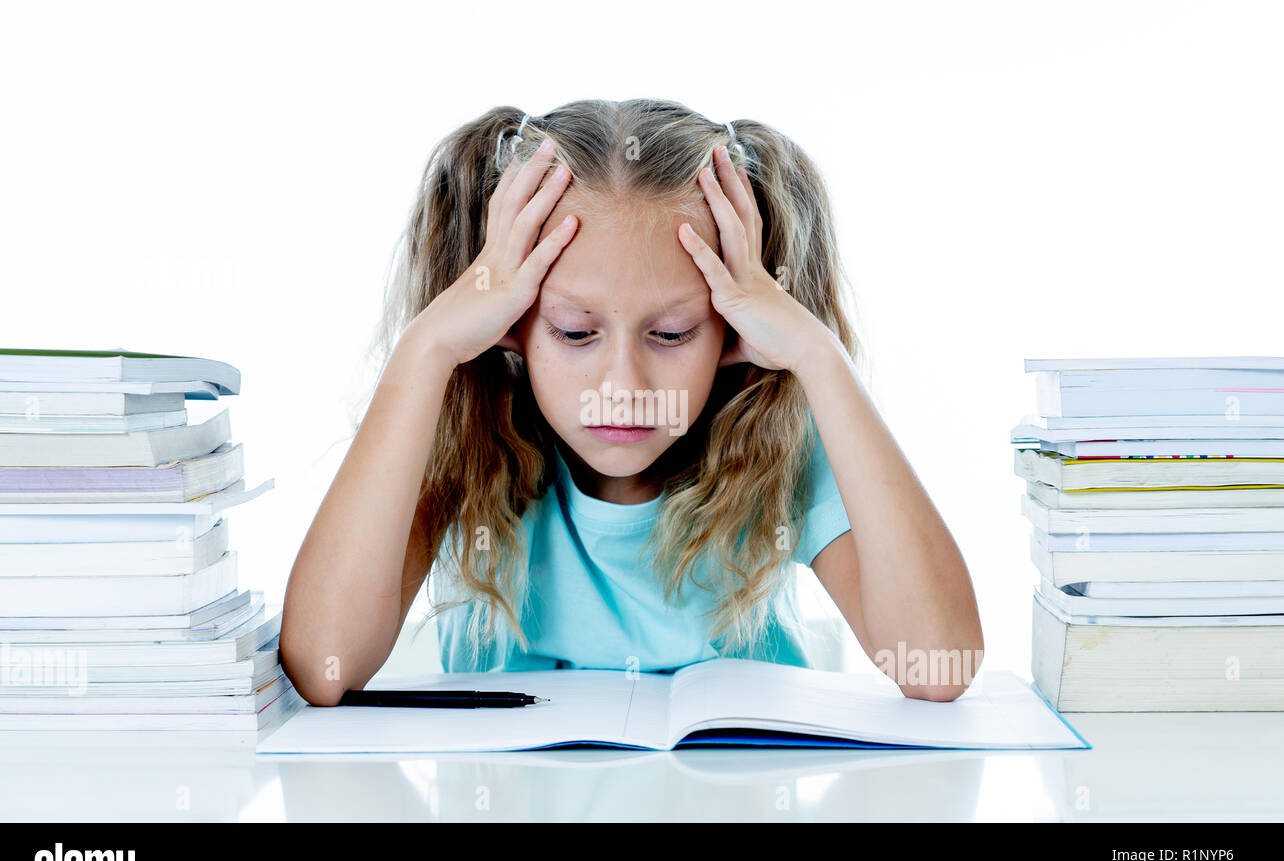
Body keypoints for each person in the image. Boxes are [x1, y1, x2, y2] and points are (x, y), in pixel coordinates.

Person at [281, 98, 983, 705]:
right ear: (510, 322)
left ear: (733, 325)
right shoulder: (462, 438)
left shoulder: (775, 440)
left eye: (672, 333)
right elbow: (322, 666)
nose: (623, 387)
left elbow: (939, 665)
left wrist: (819, 357)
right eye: (575, 332)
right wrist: (427, 346)